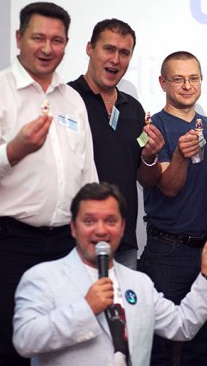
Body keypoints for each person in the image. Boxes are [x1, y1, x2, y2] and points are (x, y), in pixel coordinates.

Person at [0, 2, 97, 366]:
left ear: (67, 44)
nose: (47, 48)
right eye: (38, 38)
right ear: (18, 39)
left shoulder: (73, 101)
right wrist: (13, 151)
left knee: (62, 352)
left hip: (64, 245)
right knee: (7, 356)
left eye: (57, 40)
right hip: (4, 243)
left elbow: (87, 175)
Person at [13, 182, 207, 366]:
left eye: (110, 221)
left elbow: (182, 326)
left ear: (122, 228)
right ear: (73, 227)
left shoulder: (138, 283)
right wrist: (86, 309)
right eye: (89, 221)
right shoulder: (43, 277)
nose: (101, 230)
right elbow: (25, 340)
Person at [139, 51, 207, 366]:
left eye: (194, 78)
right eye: (178, 79)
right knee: (159, 350)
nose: (187, 85)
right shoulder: (151, 129)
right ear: (163, 83)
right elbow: (169, 188)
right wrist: (179, 155)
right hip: (166, 252)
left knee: (200, 352)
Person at [69, 18, 164, 269]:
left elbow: (146, 179)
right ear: (90, 48)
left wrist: (150, 157)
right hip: (73, 242)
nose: (116, 60)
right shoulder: (66, 100)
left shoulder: (134, 109)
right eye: (109, 49)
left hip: (123, 244)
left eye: (124, 53)